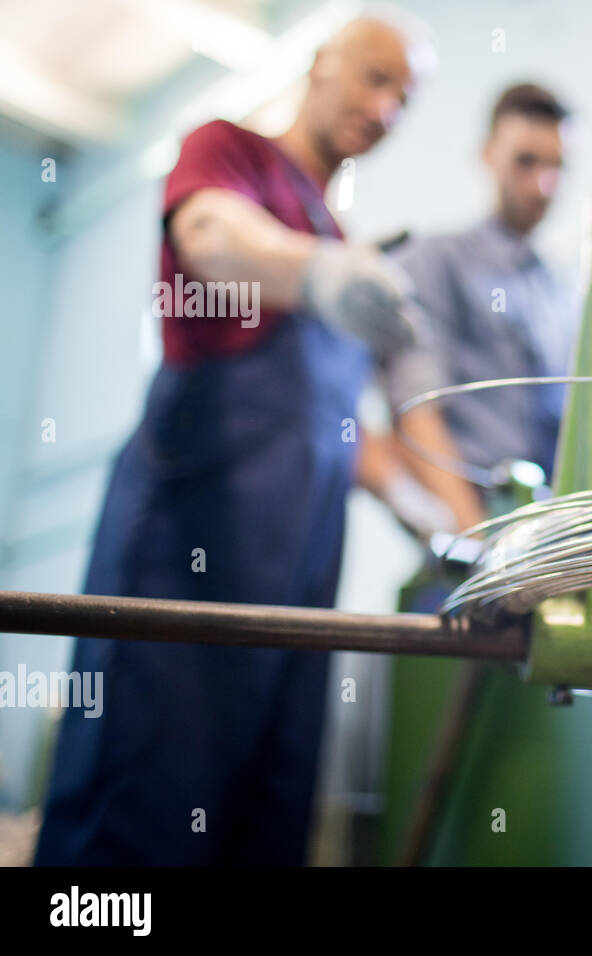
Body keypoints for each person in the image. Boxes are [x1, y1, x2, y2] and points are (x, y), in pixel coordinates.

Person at [34, 15, 476, 866]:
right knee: (139, 812)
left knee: (262, 824)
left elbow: (360, 441)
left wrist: (444, 529)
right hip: (184, 571)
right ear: (319, 66)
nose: (385, 107)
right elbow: (212, 238)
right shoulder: (231, 155)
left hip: (293, 605)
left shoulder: (351, 255)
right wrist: (312, 273)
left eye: (403, 98)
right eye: (372, 77)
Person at [360, 83, 576, 523]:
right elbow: (416, 409)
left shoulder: (559, 290)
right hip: (469, 532)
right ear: (488, 155)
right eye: (526, 161)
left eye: (556, 166)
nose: (542, 185)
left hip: (543, 536)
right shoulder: (436, 262)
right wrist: (474, 541)